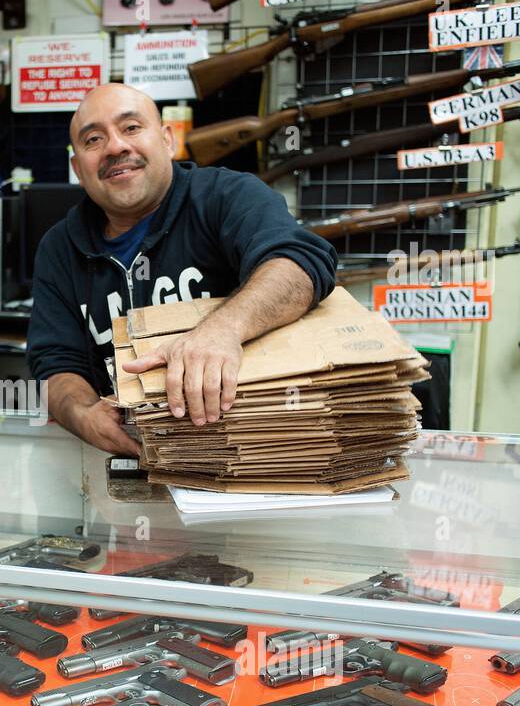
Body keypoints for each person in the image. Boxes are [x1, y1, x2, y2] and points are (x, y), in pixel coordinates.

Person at [27, 84, 338, 456]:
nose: (114, 147)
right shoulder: (59, 247)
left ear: (168, 140)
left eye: (131, 128)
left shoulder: (226, 196)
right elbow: (53, 365)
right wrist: (84, 415)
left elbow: (300, 265)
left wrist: (221, 331)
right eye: (93, 139)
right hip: (128, 461)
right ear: (78, 168)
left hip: (249, 453)